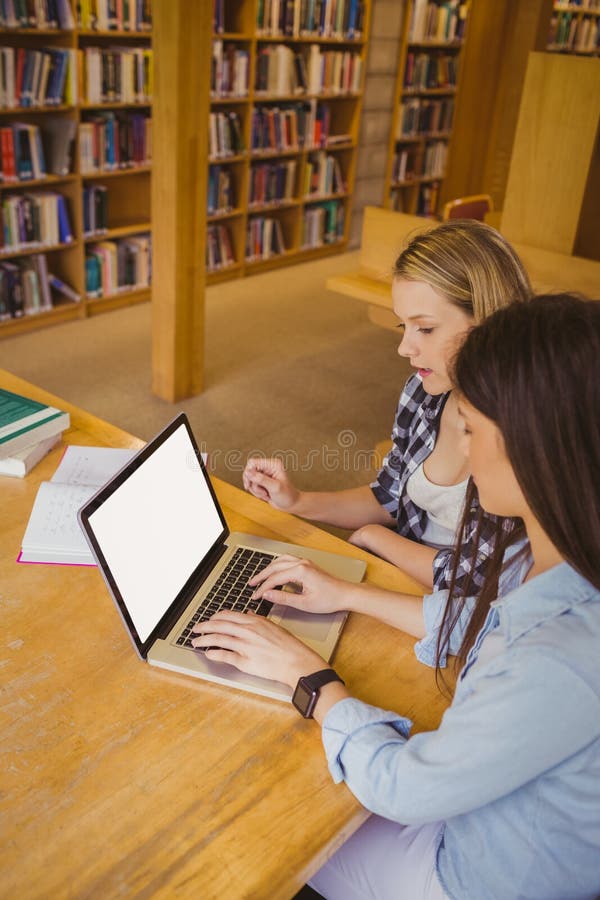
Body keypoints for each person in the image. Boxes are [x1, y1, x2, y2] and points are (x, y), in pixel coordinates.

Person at [192, 294, 600, 900]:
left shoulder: (559, 656)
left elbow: (406, 789)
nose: (460, 453)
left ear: (536, 448)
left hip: (472, 875)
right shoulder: (557, 556)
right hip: (488, 809)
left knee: (252, 821)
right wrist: (345, 593)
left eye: (471, 430)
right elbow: (480, 625)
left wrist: (309, 678)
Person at [244, 221, 532, 666]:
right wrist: (298, 501)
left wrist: (380, 539)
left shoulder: (521, 435)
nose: (404, 347)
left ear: (488, 324)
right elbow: (389, 495)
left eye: (425, 329)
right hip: (405, 587)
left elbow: (476, 585)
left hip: (458, 620)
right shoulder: (425, 391)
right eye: (404, 325)